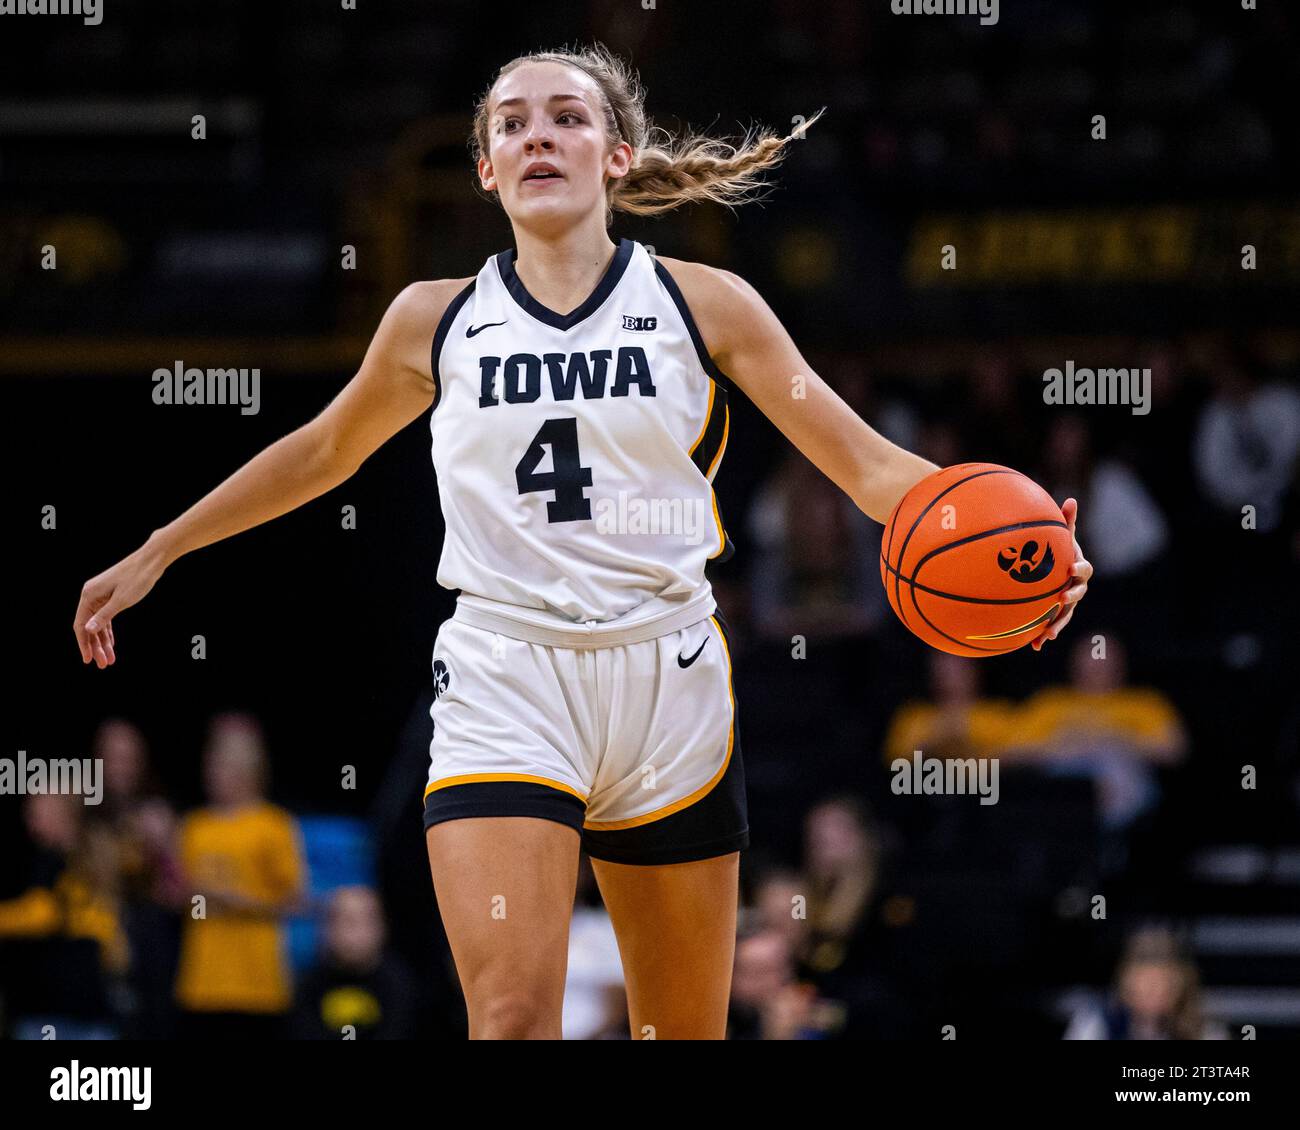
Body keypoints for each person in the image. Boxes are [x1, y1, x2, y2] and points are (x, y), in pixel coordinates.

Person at [72, 43, 1092, 1039]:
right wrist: (162, 545)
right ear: (484, 168)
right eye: (511, 124)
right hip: (505, 677)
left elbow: (871, 468)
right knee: (512, 1017)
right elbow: (322, 449)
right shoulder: (432, 319)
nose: (538, 137)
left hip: (669, 680)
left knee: (677, 1028)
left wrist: (1024, 542)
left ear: (617, 155)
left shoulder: (706, 303)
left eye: (567, 117)